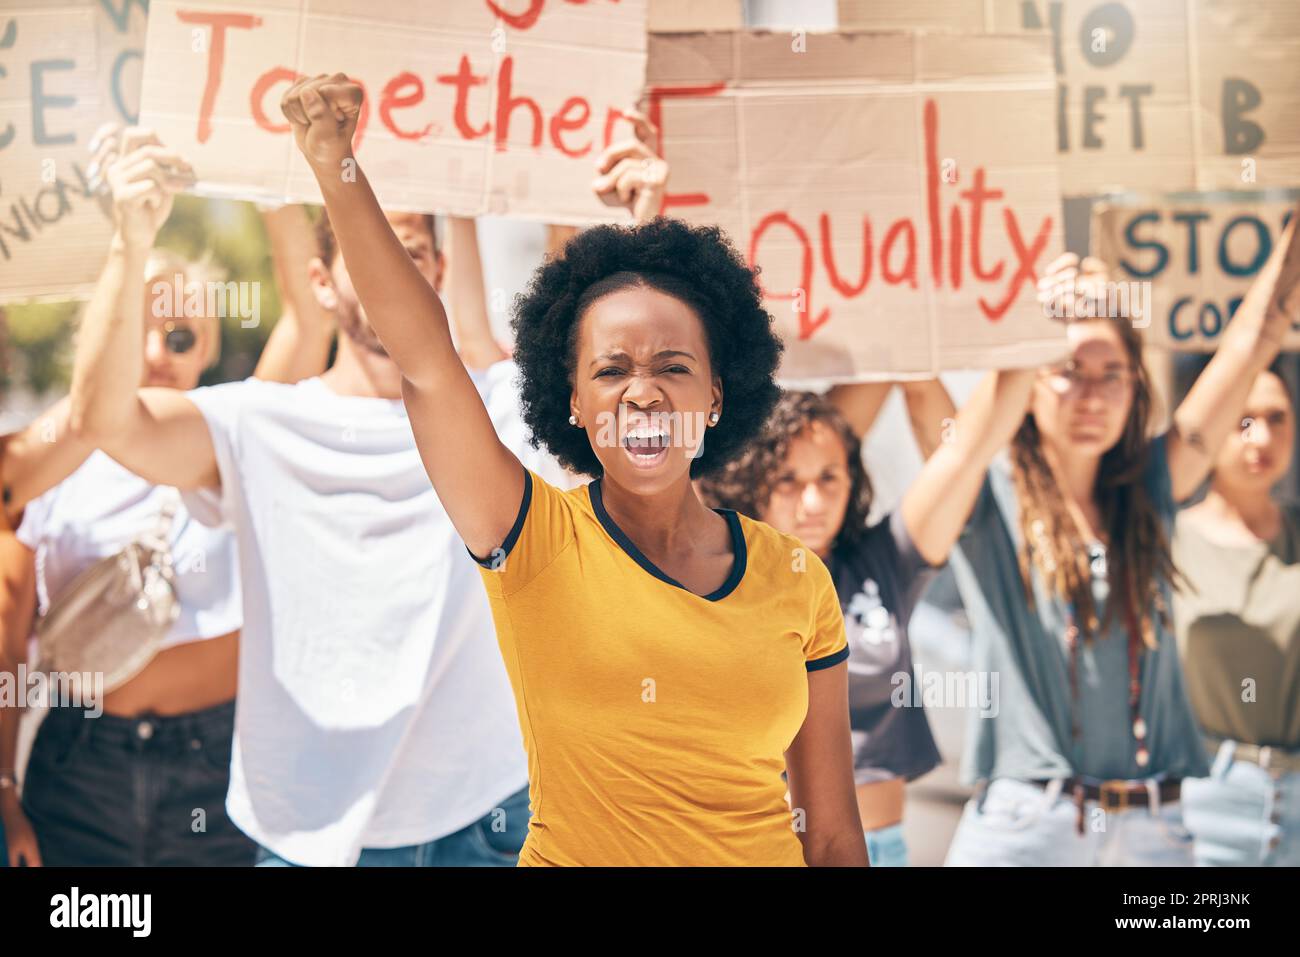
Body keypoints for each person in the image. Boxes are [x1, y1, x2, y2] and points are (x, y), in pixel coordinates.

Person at [277, 73, 868, 866]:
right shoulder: (531, 540)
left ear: (718, 394)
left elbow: (831, 834)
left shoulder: (798, 579)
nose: (643, 390)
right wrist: (337, 169)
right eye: (612, 369)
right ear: (575, 405)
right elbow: (426, 362)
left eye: (672, 365)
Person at [65, 125, 581, 867]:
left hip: (489, 815)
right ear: (318, 280)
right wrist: (131, 238)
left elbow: (586, 347)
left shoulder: (502, 407)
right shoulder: (259, 420)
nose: (390, 267)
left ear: (439, 269)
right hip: (309, 831)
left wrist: (603, 204)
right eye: (367, 247)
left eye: (412, 250)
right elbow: (106, 419)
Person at [0, 126, 334, 866]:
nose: (158, 353)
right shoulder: (48, 459)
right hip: (77, 768)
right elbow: (6, 641)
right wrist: (3, 787)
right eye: (140, 330)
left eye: (182, 336)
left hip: (220, 766)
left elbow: (311, 317)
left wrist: (273, 152)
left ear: (210, 349)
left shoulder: (239, 428)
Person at [941, 232, 1300, 867]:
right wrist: (1029, 320)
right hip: (1027, 826)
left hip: (1157, 832)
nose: (1092, 396)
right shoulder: (986, 491)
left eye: (1114, 375)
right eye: (1068, 373)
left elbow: (1256, 339)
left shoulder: (1153, 489)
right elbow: (920, 387)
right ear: (1031, 381)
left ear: (1137, 387)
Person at [698, 382, 958, 866]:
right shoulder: (718, 571)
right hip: (758, 851)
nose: (812, 502)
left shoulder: (883, 560)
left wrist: (903, 332)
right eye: (787, 481)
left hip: (880, 848)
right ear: (752, 483)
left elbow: (963, 457)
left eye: (829, 478)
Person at [1173, 364, 1300, 866]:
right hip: (1203, 800)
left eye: (1277, 418)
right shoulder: (1164, 541)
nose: (1262, 437)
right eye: (1242, 420)